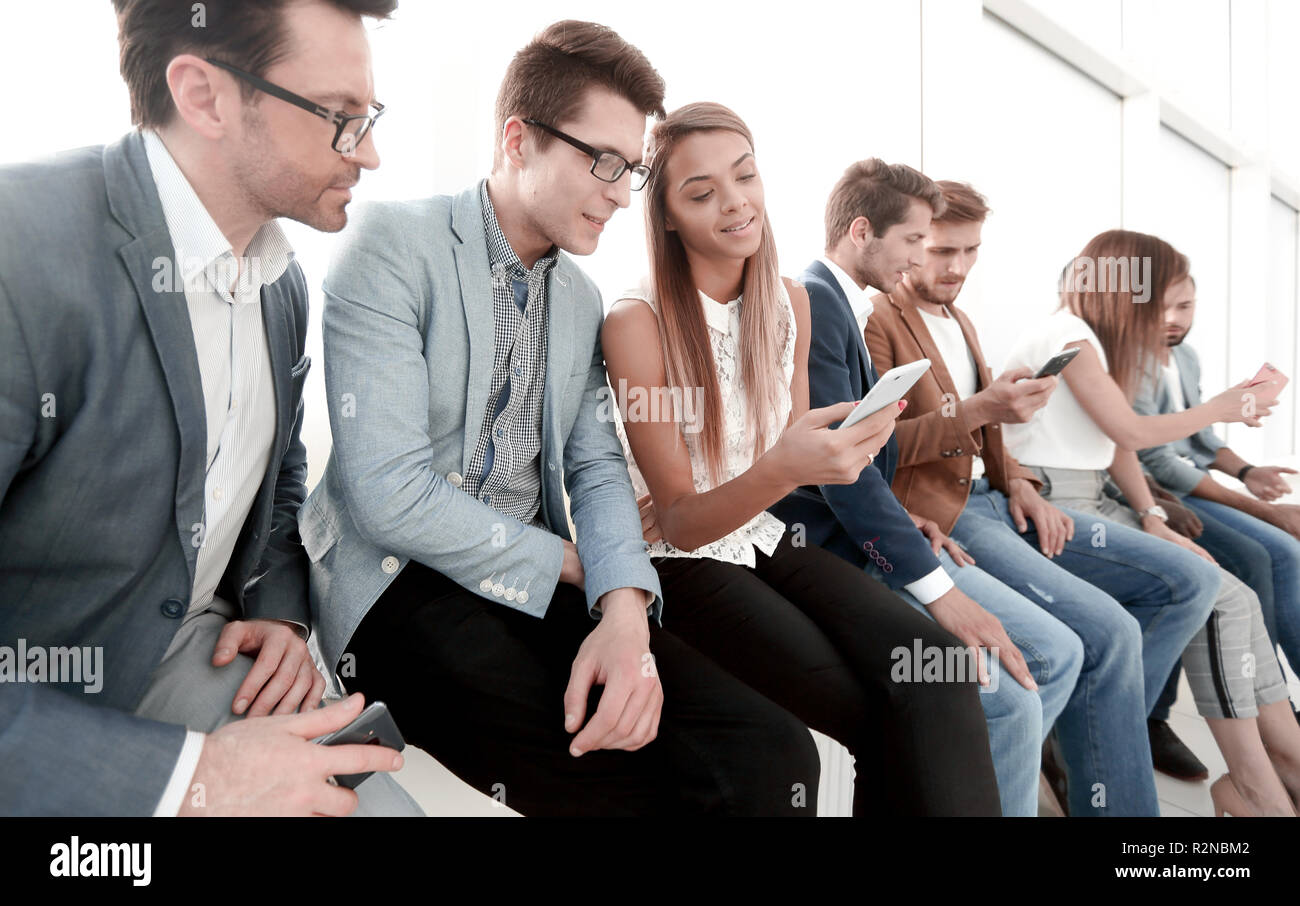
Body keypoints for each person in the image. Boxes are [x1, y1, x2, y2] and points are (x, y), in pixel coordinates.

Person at [301, 23, 821, 817]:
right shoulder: (392, 245)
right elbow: (385, 491)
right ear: (519, 140)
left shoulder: (579, 301)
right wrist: (573, 567)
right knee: (639, 778)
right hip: (400, 591)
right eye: (603, 162)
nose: (621, 191)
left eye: (632, 170)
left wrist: (623, 610)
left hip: (534, 588)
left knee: (774, 749)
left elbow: (597, 469)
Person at [0, 0, 415, 816]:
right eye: (339, 119)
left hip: (193, 651)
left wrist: (282, 618)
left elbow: (282, 477)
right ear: (203, 95)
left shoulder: (281, 284)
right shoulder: (21, 249)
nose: (369, 153)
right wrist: (194, 782)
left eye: (369, 117)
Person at [604, 104, 1002, 816]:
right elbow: (682, 522)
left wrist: (849, 448)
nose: (735, 203)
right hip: (680, 562)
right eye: (701, 193)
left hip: (763, 536)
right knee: (876, 706)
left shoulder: (788, 300)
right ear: (666, 217)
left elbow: (790, 451)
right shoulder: (637, 323)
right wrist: (792, 464)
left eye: (745, 176)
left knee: (938, 674)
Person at [865, 179, 1219, 815]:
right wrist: (982, 411)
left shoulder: (958, 319)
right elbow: (873, 444)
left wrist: (1020, 481)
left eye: (970, 251)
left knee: (1131, 618)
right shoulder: (881, 318)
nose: (958, 267)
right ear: (912, 242)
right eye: (942, 250)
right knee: (1085, 640)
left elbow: (985, 426)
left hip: (997, 500)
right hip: (946, 518)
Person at [750, 160, 1082, 816]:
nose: (919, 256)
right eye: (913, 240)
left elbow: (872, 458)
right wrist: (938, 585)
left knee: (1050, 660)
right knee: (1015, 696)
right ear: (861, 230)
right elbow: (839, 471)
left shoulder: (840, 306)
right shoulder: (816, 302)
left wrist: (908, 515)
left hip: (871, 529)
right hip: (827, 548)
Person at [1004, 228, 1300, 816]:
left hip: (1092, 496)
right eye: (1162, 297)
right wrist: (1221, 406)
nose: (1168, 314)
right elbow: (1132, 434)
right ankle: (1252, 781)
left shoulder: (1092, 341)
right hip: (1056, 499)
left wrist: (1153, 515)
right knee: (1215, 593)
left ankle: (1280, 762)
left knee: (1234, 599)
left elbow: (1116, 449)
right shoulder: (1069, 337)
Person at [1135, 272, 1300, 774]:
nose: (1173, 319)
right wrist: (1267, 511)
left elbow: (1199, 440)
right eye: (1163, 307)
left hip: (1188, 479)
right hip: (1155, 487)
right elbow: (1160, 462)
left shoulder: (1184, 356)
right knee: (1256, 555)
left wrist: (1248, 473)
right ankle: (1260, 718)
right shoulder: (1129, 362)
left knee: (1287, 553)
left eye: (1185, 306)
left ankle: (1281, 711)